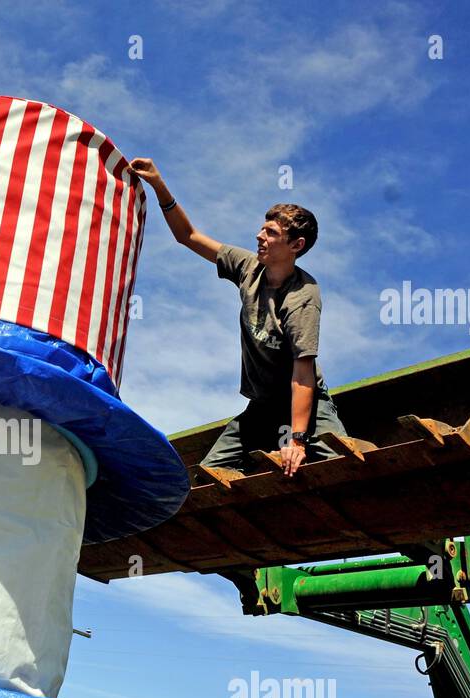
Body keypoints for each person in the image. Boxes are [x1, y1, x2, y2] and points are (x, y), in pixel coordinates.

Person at [129, 158, 349, 477]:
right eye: (262, 227)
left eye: (271, 233)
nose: (259, 236)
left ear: (296, 245)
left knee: (340, 466)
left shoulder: (303, 296)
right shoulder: (248, 268)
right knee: (208, 475)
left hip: (305, 405)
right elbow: (188, 236)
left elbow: (303, 375)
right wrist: (158, 184)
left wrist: (298, 441)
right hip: (262, 407)